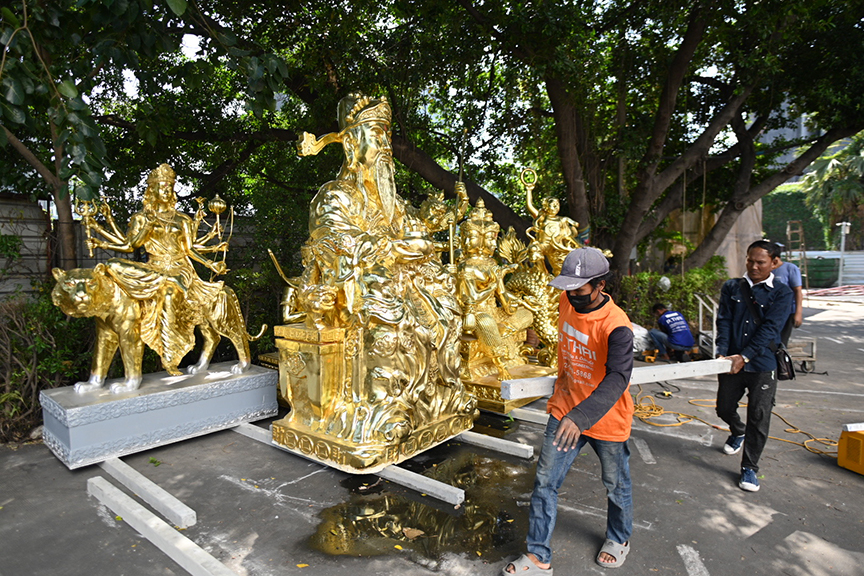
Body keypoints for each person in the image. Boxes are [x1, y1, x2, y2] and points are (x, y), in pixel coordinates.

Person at [504, 247, 634, 574]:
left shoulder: (617, 326)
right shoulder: (566, 300)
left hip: (605, 419)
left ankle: (619, 538)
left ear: (600, 285)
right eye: (568, 288)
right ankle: (538, 557)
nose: (572, 295)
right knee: (545, 483)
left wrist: (581, 417)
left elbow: (618, 377)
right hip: (565, 408)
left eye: (580, 289)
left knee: (616, 484)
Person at [85, 164, 226, 374]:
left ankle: (170, 357)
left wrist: (210, 263)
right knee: (112, 265)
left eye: (170, 187)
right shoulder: (141, 218)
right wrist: (144, 227)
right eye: (162, 187)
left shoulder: (183, 219)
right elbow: (130, 246)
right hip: (153, 268)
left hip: (179, 268)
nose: (167, 191)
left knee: (168, 293)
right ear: (152, 190)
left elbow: (189, 250)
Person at [714, 240, 793, 492]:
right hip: (731, 362)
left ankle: (749, 468)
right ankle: (737, 430)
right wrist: (722, 352)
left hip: (762, 364)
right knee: (723, 407)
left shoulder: (782, 293)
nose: (754, 266)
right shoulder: (731, 287)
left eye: (760, 262)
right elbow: (724, 320)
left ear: (774, 263)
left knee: (759, 417)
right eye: (750, 260)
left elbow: (771, 329)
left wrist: (744, 356)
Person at [771, 252, 804, 347]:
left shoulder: (790, 268)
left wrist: (798, 313)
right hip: (771, 311)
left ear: (775, 260)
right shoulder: (767, 270)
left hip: (787, 311)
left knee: (781, 341)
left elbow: (798, 291)